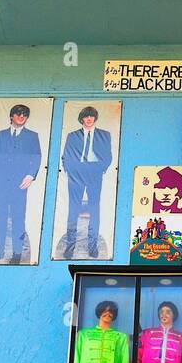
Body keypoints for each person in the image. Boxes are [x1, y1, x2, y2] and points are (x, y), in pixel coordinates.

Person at [0, 104, 42, 263]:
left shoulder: (32, 136)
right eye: (18, 114)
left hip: (19, 184)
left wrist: (30, 175)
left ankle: (17, 254)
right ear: (11, 116)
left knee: (18, 218)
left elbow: (36, 158)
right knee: (0, 217)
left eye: (24, 115)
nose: (21, 117)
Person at [60, 106, 113, 257]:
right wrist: (69, 170)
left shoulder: (104, 135)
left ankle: (92, 247)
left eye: (92, 116)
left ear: (95, 118)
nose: (89, 119)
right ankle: (70, 247)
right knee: (73, 210)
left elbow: (108, 156)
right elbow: (66, 155)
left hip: (94, 173)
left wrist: (100, 169)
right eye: (86, 116)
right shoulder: (72, 135)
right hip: (76, 173)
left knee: (94, 210)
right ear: (82, 119)